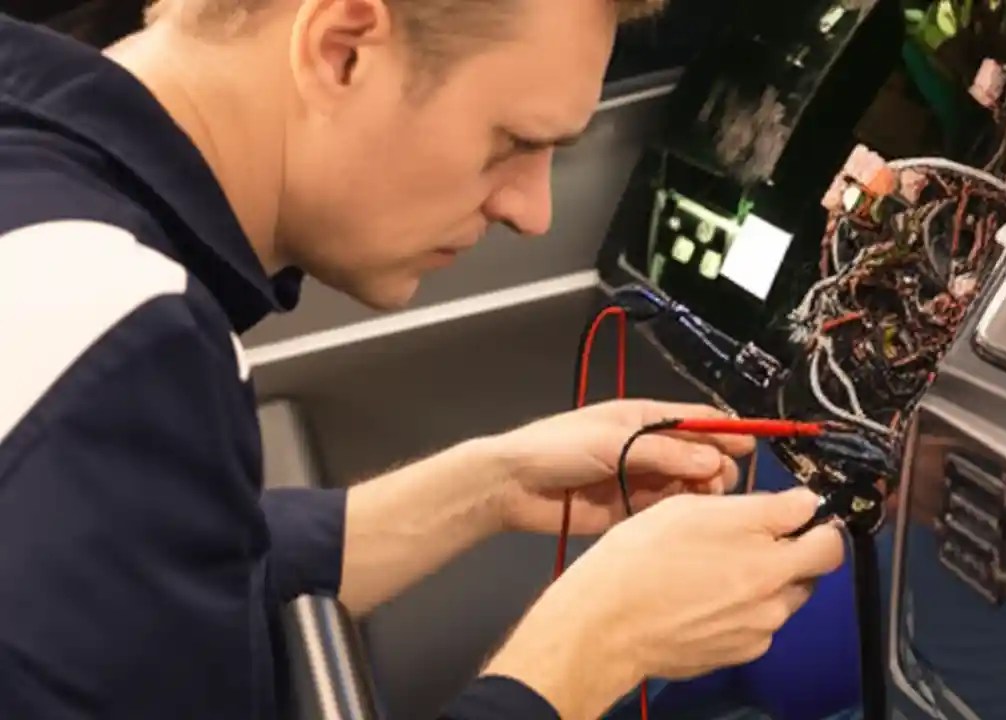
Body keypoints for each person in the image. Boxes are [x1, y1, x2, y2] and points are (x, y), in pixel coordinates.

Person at [0, 1, 848, 719]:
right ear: (343, 50)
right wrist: (597, 645)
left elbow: (158, 596)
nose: (533, 212)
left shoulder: (41, 192)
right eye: (513, 141)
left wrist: (492, 484)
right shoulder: (110, 341)